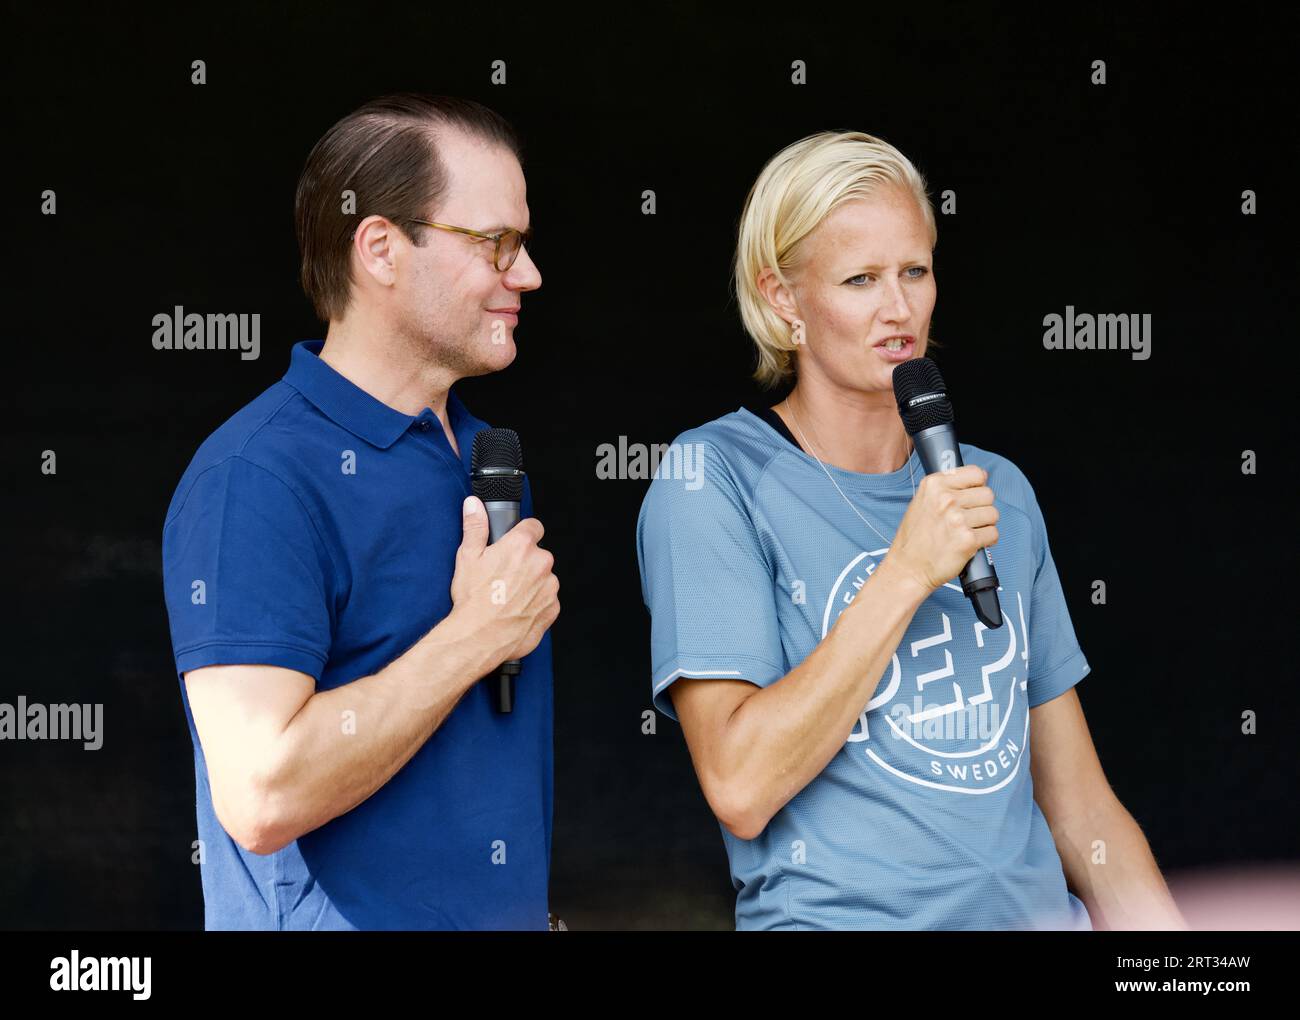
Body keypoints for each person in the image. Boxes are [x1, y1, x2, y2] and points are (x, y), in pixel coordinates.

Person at [635, 130, 1186, 931]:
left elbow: (1082, 811)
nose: (898, 309)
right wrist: (906, 572)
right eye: (860, 279)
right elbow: (742, 787)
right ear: (783, 298)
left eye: (915, 272)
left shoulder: (994, 490)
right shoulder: (712, 476)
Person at [161, 94, 559, 930]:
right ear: (381, 247)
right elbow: (262, 794)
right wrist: (473, 637)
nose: (527, 274)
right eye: (498, 243)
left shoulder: (489, 461)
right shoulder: (255, 477)